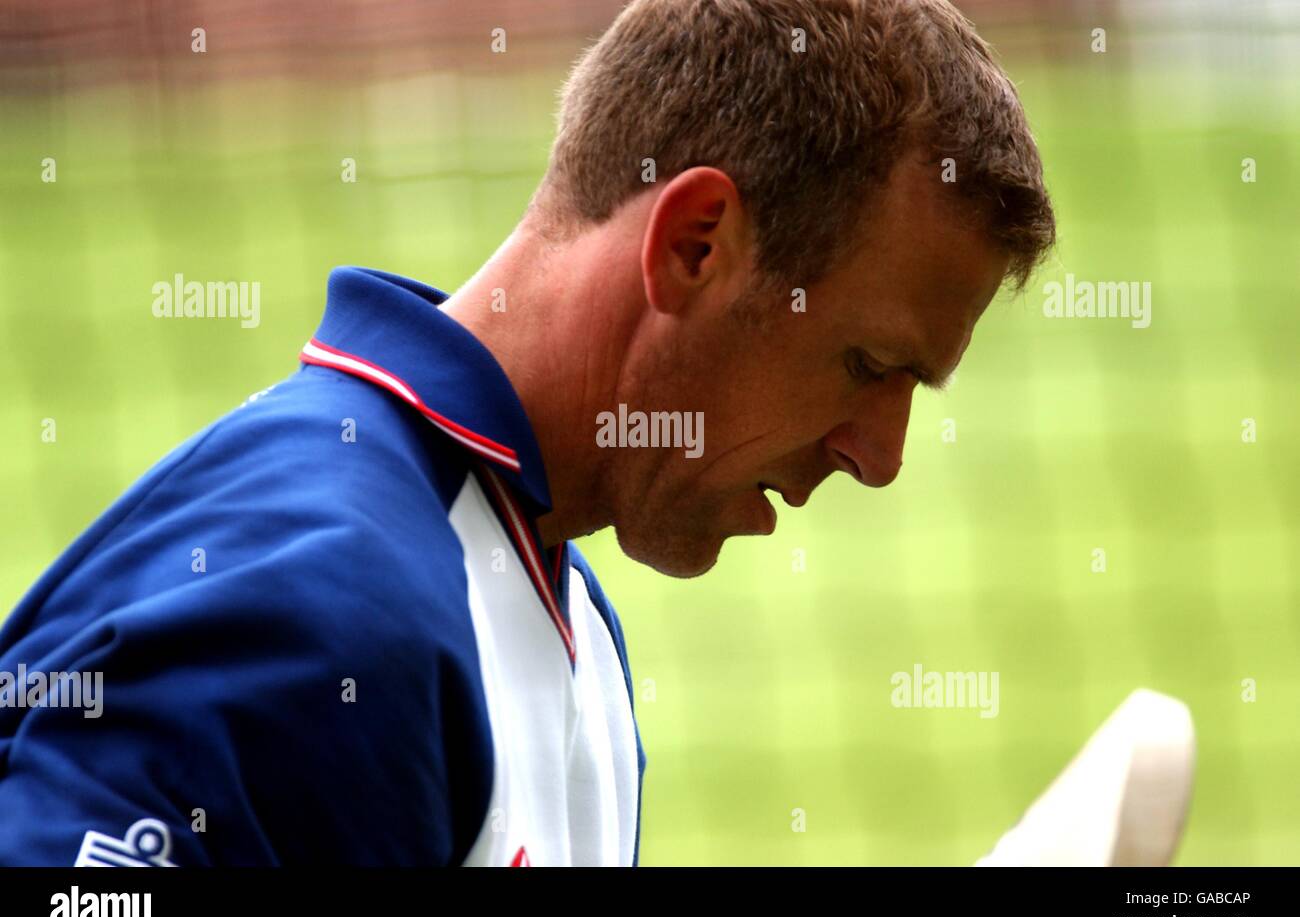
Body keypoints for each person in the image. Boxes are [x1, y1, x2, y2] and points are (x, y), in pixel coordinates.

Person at [0, 0, 1053, 866]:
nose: (879, 456)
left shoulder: (564, 616)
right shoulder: (325, 602)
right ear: (695, 246)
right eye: (869, 367)